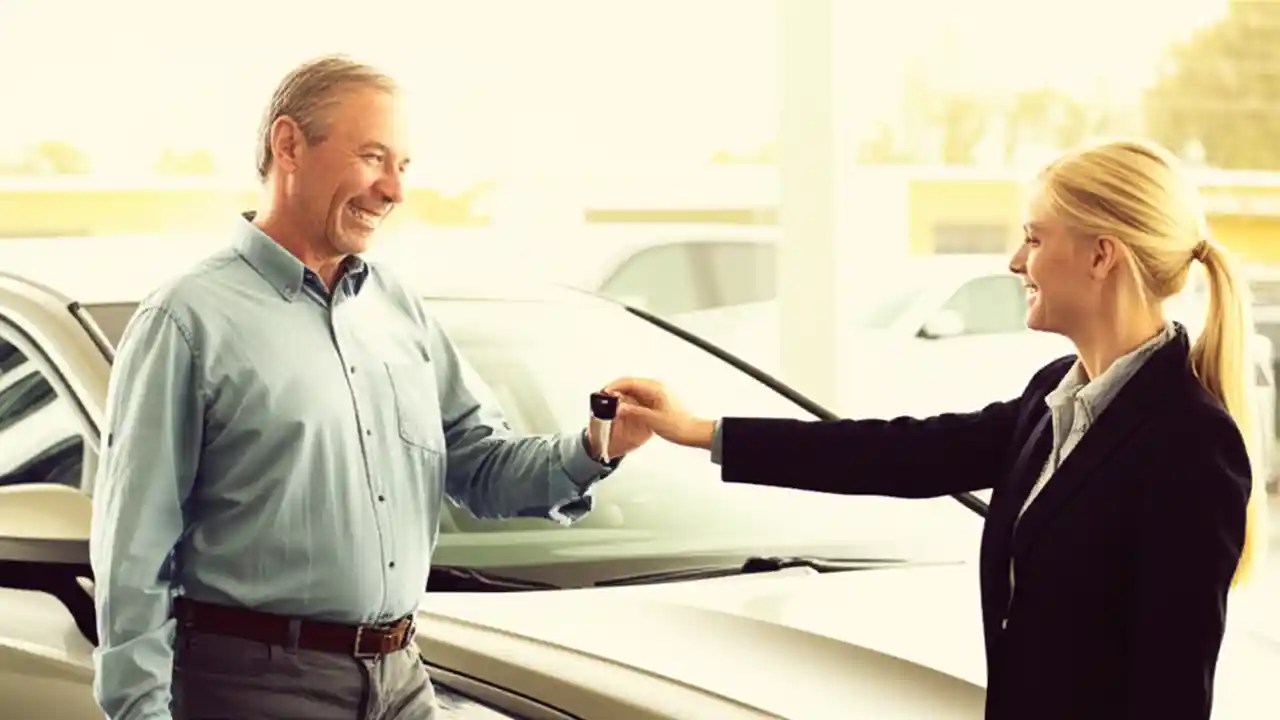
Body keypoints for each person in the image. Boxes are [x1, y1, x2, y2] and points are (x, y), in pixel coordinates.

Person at [608, 138, 1267, 720]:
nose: (1015, 260)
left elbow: (1171, 695)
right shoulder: (1049, 397)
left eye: (1035, 238)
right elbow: (900, 454)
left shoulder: (1188, 445)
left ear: (1102, 257)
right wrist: (699, 430)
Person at [89, 55, 652, 720]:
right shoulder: (188, 321)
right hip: (253, 690)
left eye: (403, 166)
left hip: (403, 679)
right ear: (289, 144)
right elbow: (133, 553)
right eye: (373, 157)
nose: (394, 190)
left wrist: (594, 445)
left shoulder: (398, 311)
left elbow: (481, 467)